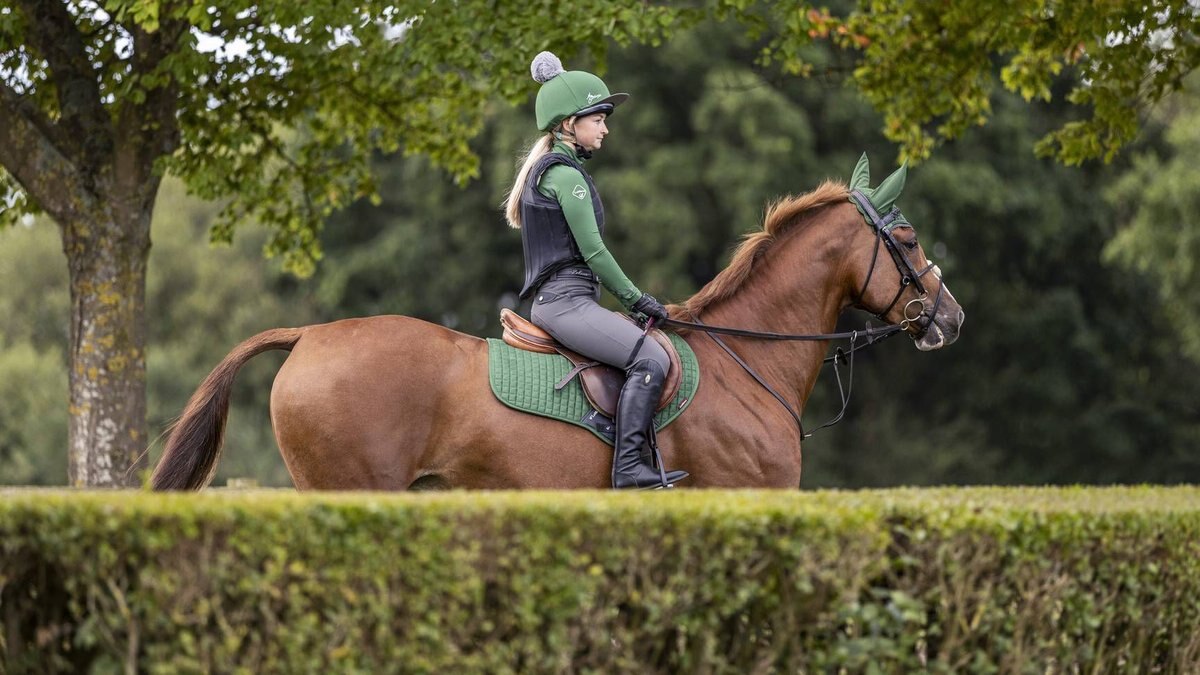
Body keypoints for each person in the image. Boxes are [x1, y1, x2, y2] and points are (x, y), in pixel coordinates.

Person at [503, 52, 689, 489]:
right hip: (564, 304)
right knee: (651, 357)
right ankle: (628, 468)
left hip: (566, 302)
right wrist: (637, 299)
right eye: (598, 118)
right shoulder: (565, 176)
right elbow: (595, 253)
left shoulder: (557, 171)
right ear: (569, 124)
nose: (605, 127)